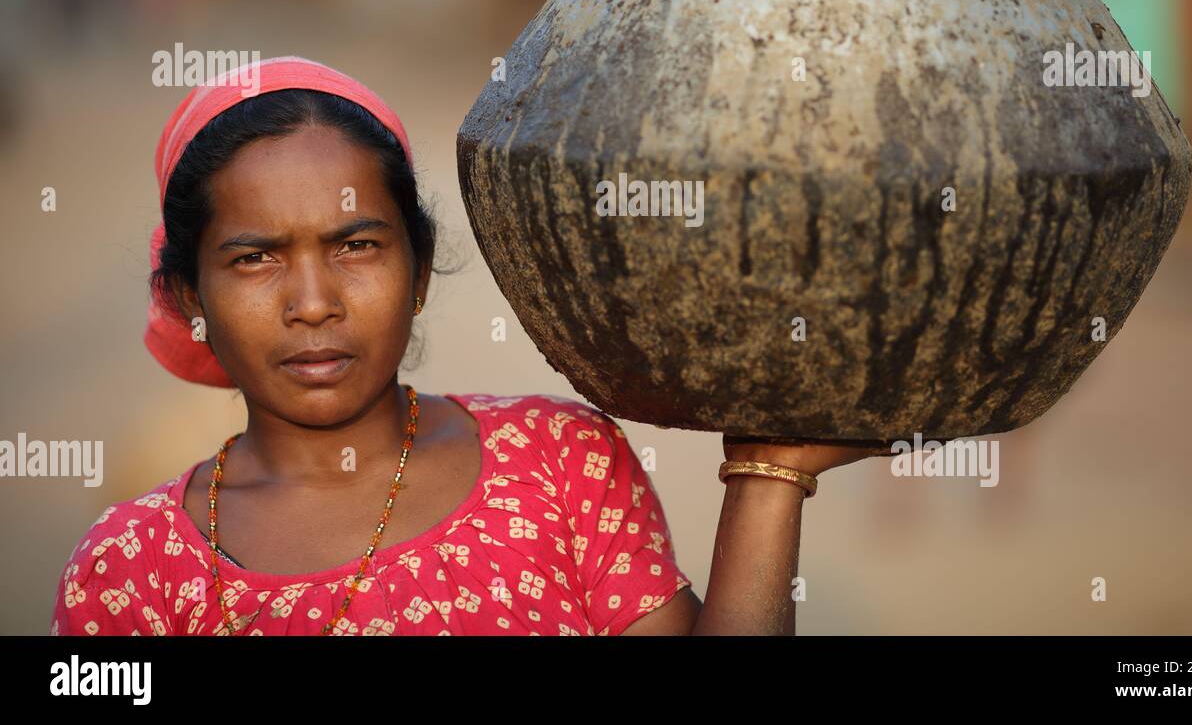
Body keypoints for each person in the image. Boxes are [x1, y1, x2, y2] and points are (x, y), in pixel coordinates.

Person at [50, 56, 878, 636]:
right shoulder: (131, 572)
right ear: (192, 298)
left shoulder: (559, 464)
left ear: (417, 271)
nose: (313, 303)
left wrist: (772, 472)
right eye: (255, 257)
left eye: (356, 246)